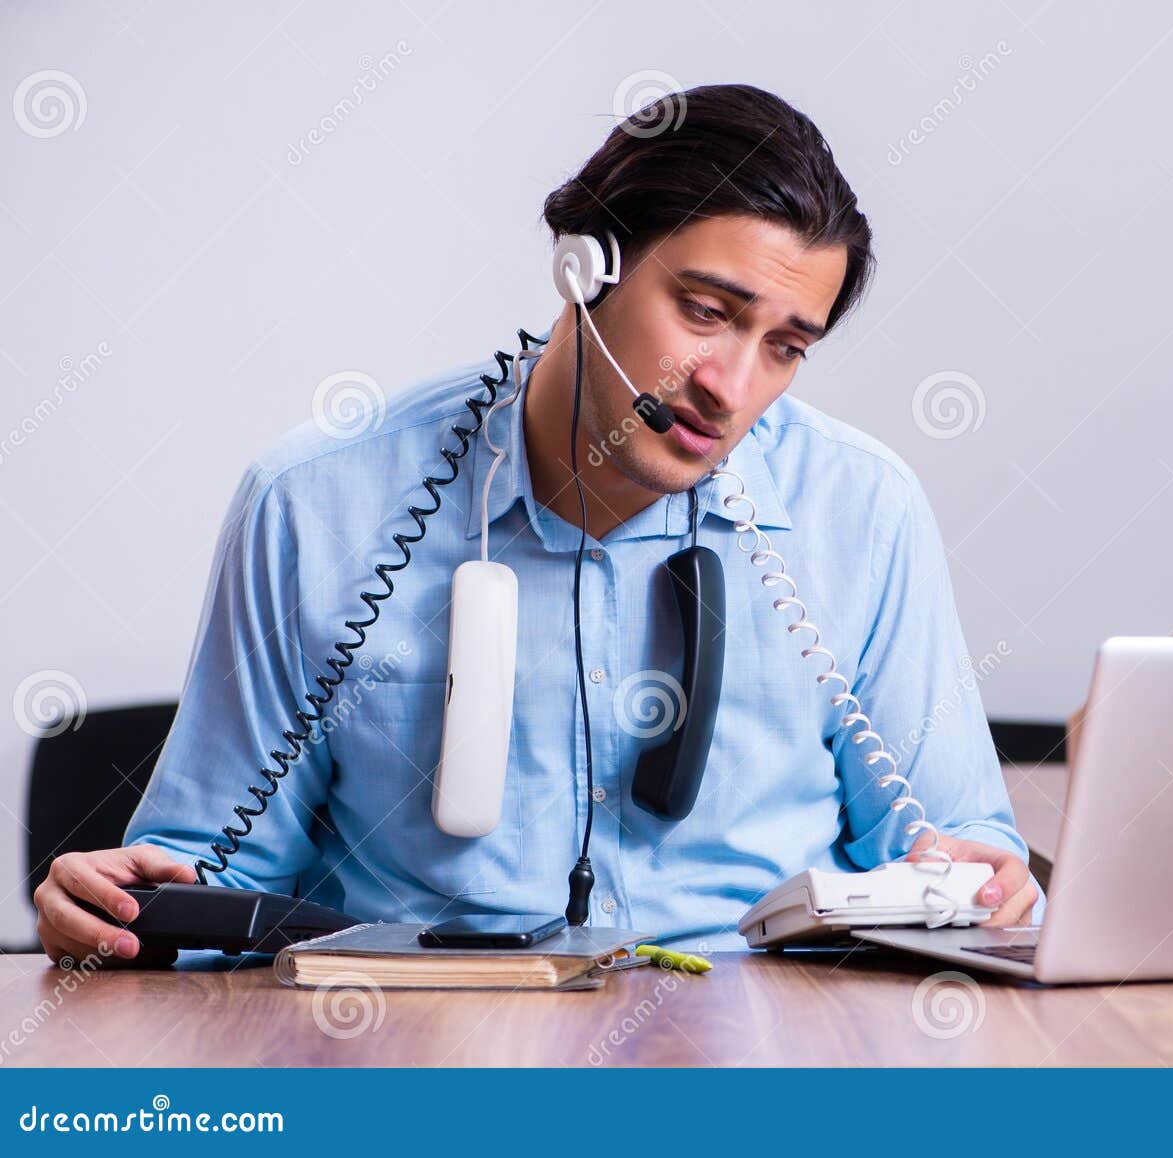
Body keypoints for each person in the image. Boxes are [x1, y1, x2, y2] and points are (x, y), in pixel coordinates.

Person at [34, 83, 1039, 964]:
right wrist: (120, 913)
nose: (731, 388)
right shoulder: (317, 501)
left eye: (783, 346)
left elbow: (949, 854)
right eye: (702, 312)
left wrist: (978, 884)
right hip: (417, 1045)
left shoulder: (860, 508)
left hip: (757, 1045)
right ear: (583, 268)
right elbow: (202, 885)